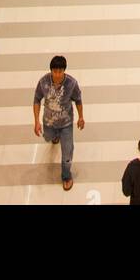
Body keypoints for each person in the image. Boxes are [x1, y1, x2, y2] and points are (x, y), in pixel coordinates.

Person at [33, 55, 85, 191]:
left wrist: (81, 117)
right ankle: (54, 137)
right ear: (51, 71)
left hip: (66, 124)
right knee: (48, 138)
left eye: (60, 71)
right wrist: (36, 121)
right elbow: (37, 99)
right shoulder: (43, 82)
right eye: (55, 71)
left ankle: (66, 176)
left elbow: (78, 100)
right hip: (49, 122)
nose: (57, 74)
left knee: (67, 151)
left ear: (64, 71)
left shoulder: (71, 84)